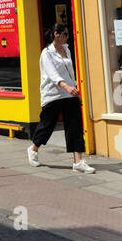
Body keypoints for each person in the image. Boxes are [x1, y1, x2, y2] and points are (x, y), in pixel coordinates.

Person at [27, 22, 94, 174]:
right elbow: (52, 75)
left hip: (69, 93)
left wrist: (73, 86)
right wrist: (66, 87)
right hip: (53, 94)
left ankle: (78, 161)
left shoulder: (66, 49)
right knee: (47, 125)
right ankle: (33, 149)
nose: (67, 37)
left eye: (68, 34)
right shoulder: (46, 53)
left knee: (75, 126)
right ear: (56, 34)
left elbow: (70, 71)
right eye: (65, 34)